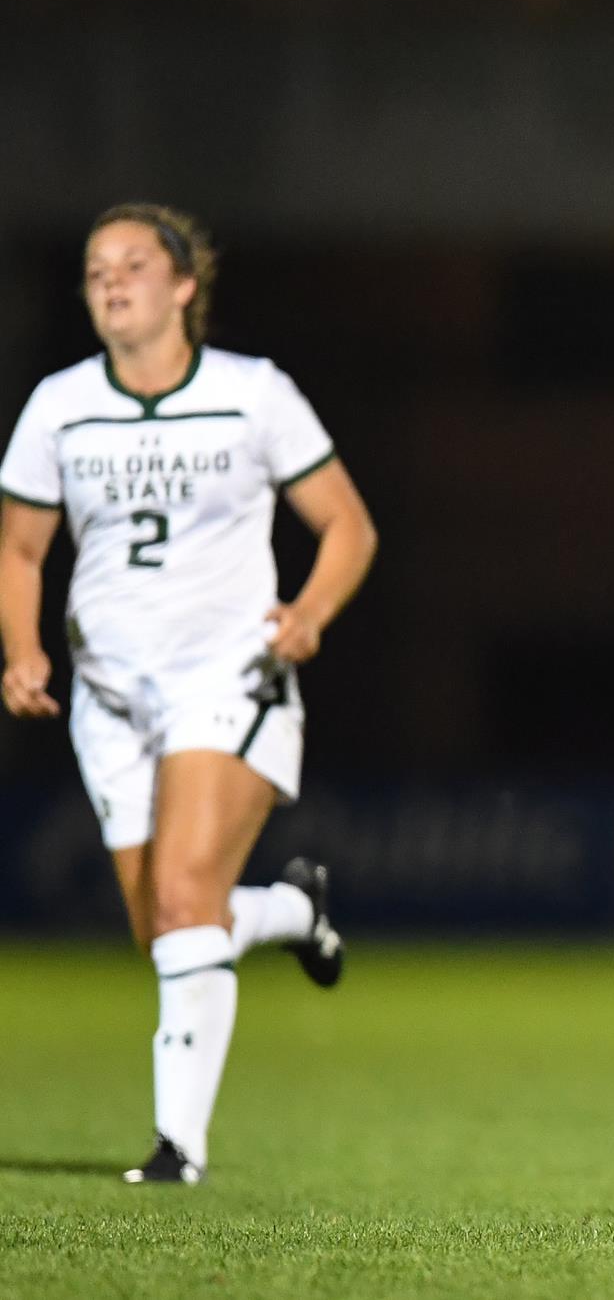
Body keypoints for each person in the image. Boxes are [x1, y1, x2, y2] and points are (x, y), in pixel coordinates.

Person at [0, 203, 378, 1185]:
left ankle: (179, 1148)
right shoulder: (58, 406)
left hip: (228, 677)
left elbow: (348, 525)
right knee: (164, 925)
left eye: (132, 265)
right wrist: (21, 649)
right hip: (110, 693)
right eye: (93, 270)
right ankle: (293, 909)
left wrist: (310, 611)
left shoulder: (254, 395)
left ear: (182, 287)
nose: (111, 281)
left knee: (180, 903)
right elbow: (20, 545)